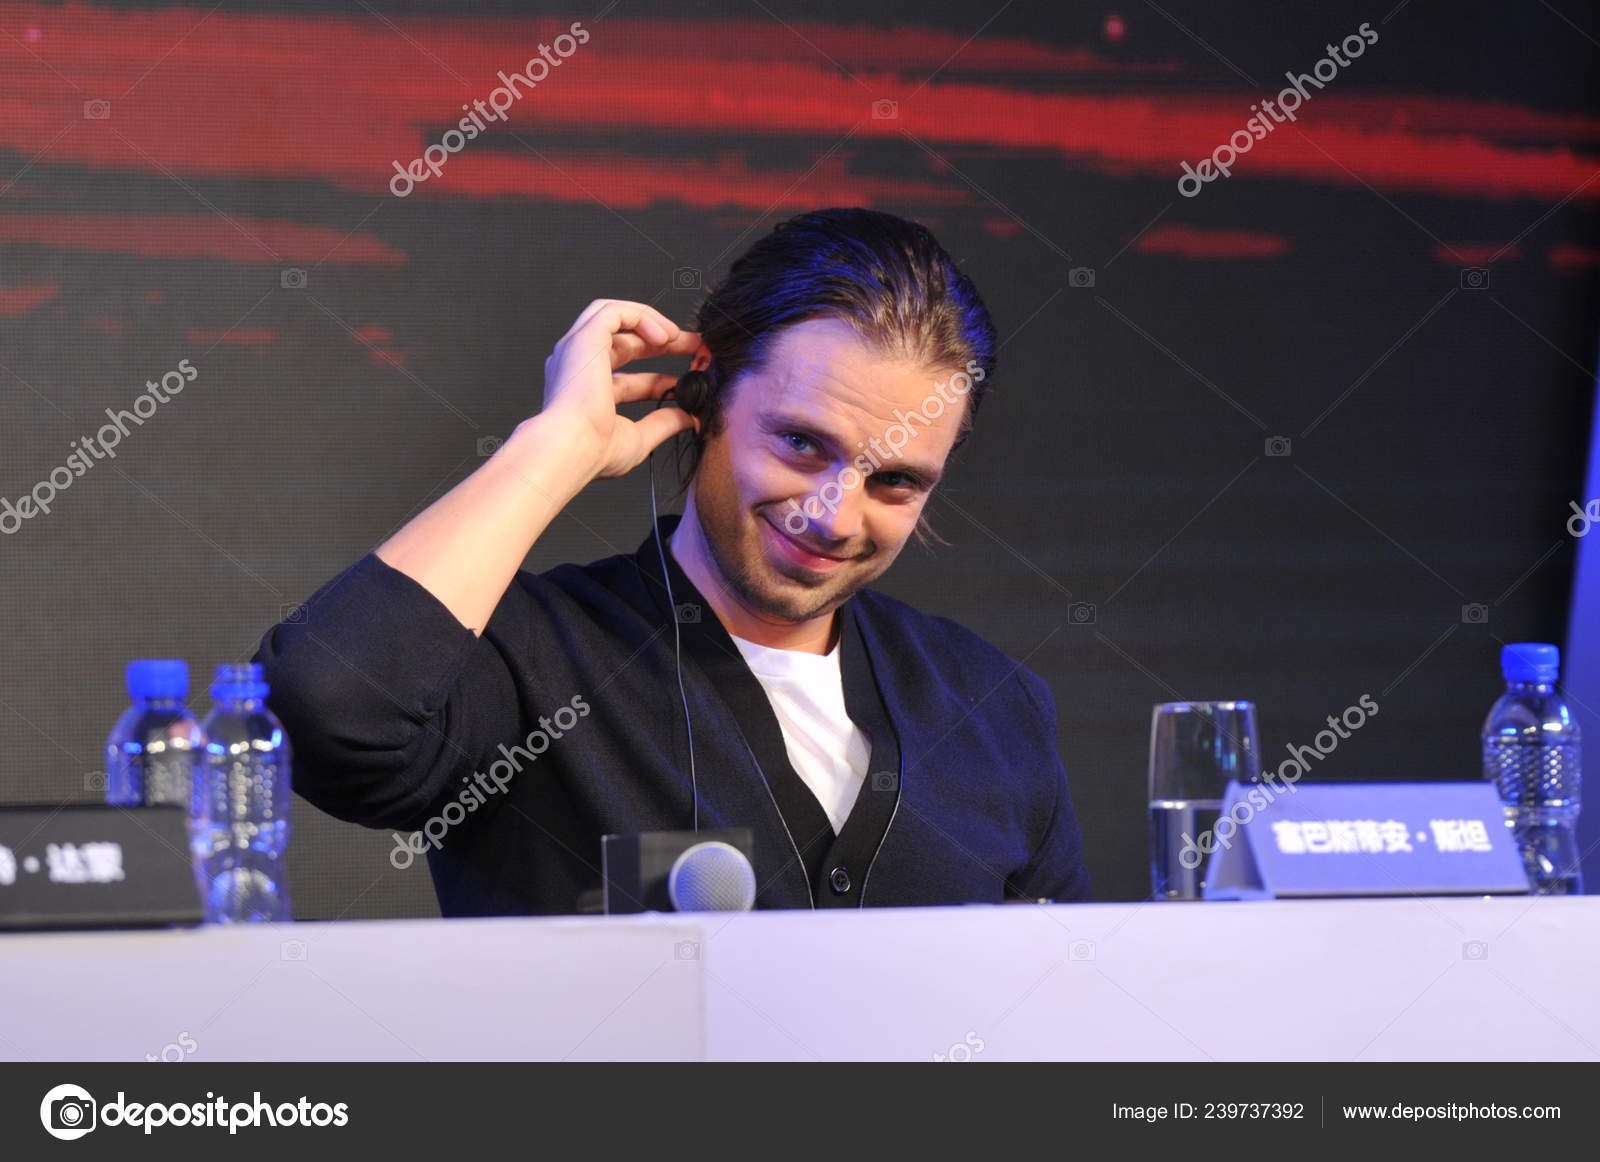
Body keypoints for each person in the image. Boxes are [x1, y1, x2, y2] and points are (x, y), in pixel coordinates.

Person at [254, 207, 1090, 915]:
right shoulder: (531, 661)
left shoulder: (992, 706)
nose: (834, 515)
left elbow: (1068, 1018)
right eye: (801, 444)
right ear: (706, 396)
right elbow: (321, 712)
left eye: (897, 482)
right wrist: (557, 447)